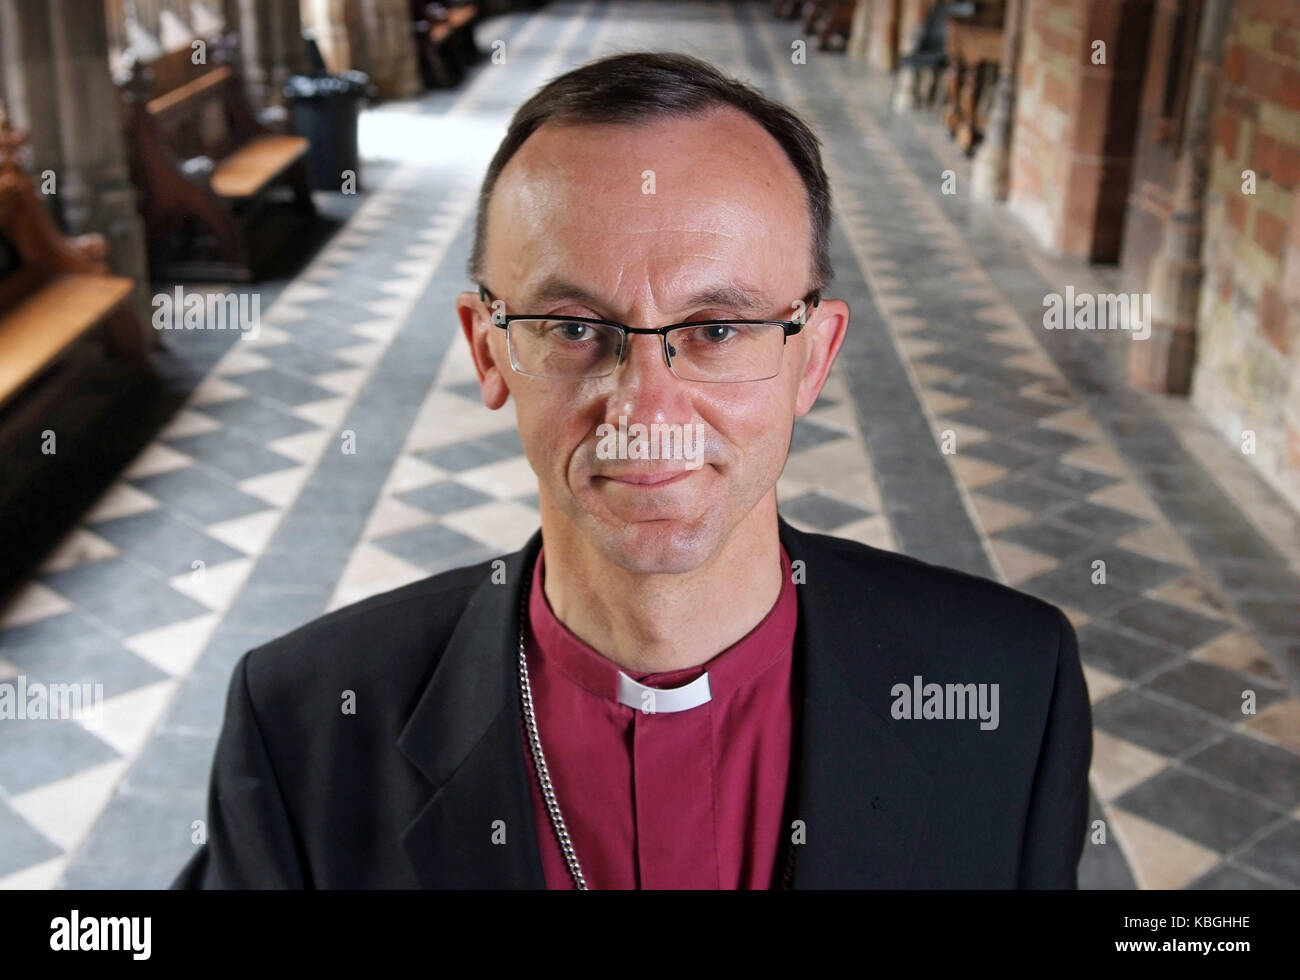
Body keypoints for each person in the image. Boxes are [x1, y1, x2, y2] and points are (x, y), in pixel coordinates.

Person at [174, 51, 1092, 890]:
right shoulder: (304, 728)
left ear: (812, 358)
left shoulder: (1009, 692)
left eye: (717, 330)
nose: (647, 414)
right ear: (487, 353)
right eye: (574, 329)